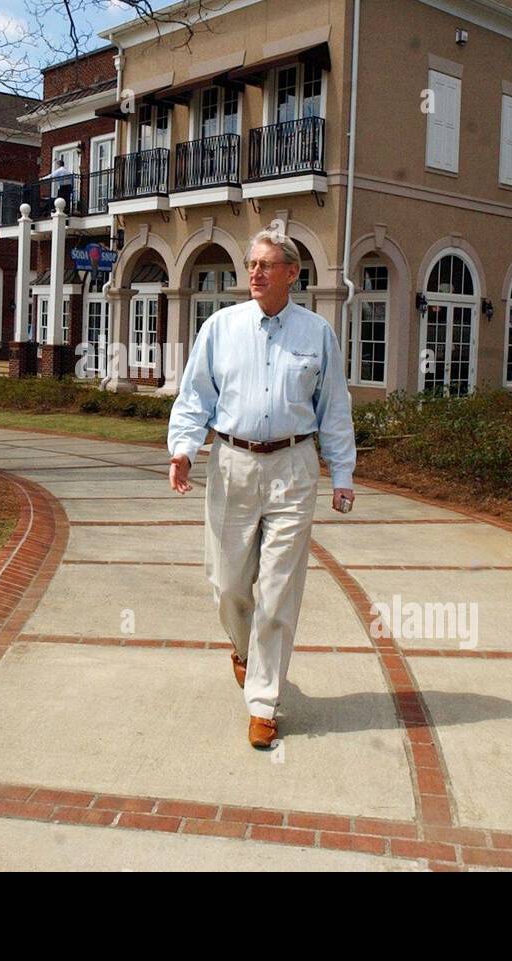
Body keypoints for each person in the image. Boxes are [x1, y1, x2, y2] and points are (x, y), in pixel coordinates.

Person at [167, 229, 356, 749]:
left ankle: (263, 702)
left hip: (294, 467)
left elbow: (334, 408)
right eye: (251, 263)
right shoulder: (221, 328)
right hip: (232, 463)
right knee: (228, 583)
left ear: (292, 273)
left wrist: (342, 474)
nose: (254, 273)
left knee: (278, 591)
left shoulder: (317, 333)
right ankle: (245, 652)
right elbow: (193, 397)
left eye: (267, 265)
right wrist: (183, 449)